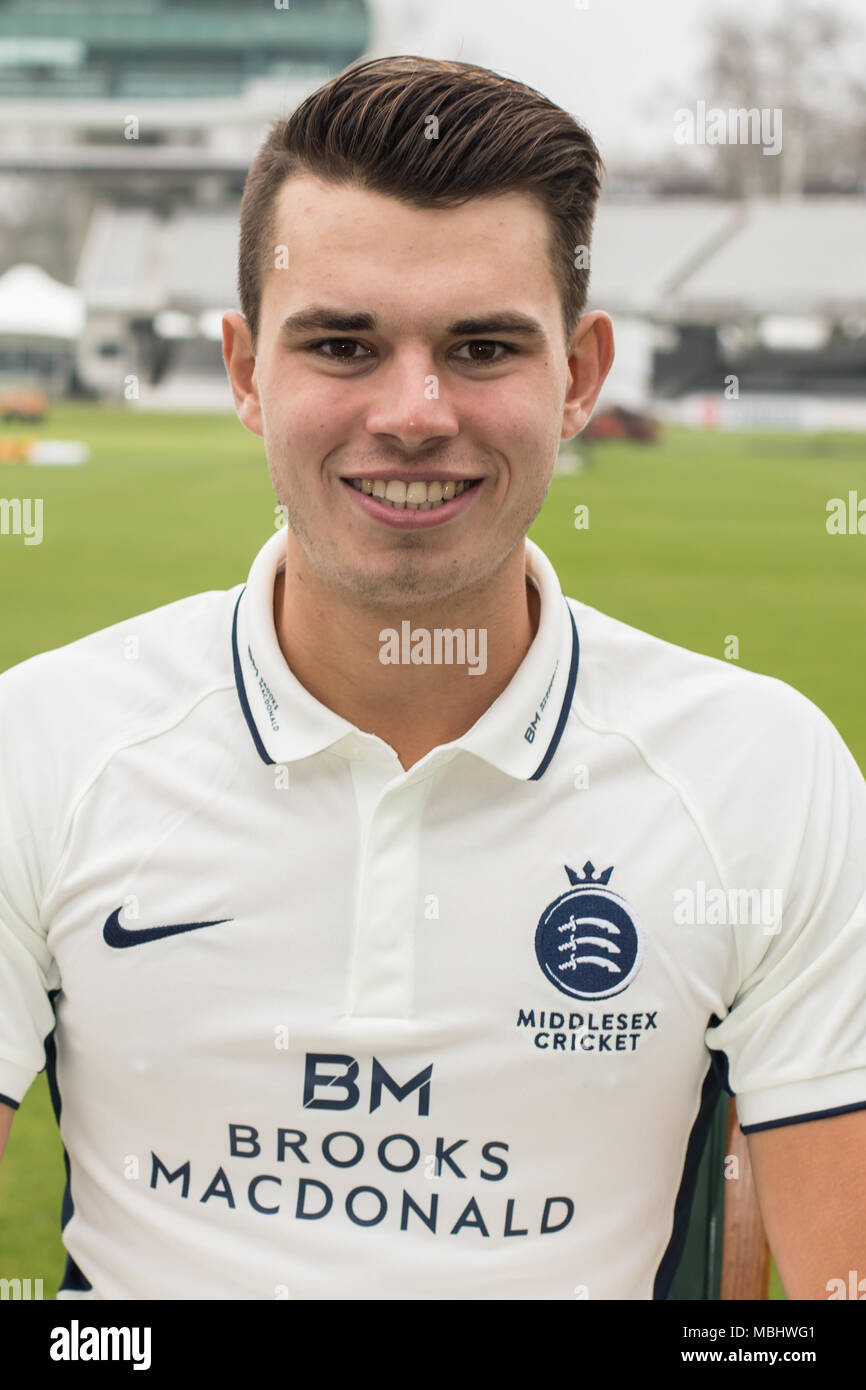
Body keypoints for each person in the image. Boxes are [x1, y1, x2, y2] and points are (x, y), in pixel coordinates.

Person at [1, 55, 864, 1301]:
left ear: (578, 377)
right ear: (247, 371)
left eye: (479, 347)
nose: (413, 412)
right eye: (342, 344)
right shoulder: (44, 743)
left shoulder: (761, 774)